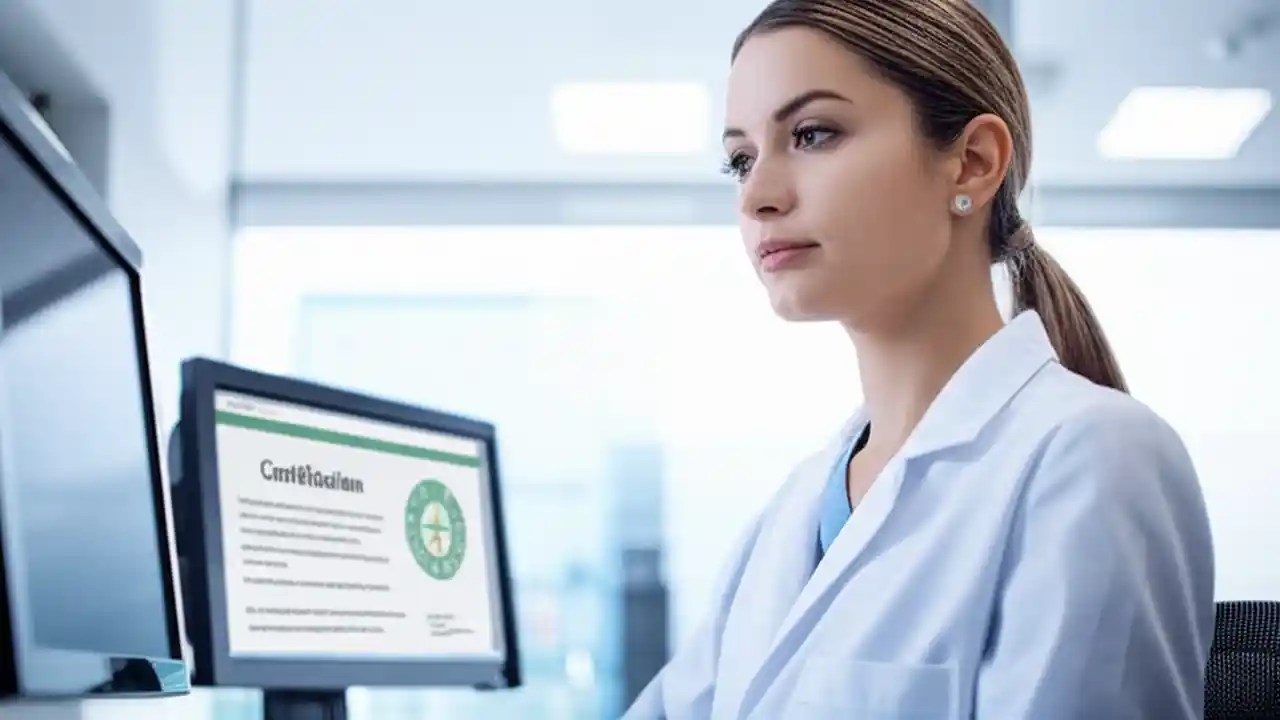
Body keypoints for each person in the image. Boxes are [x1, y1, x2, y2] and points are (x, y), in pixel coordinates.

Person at [623, 1, 1216, 718]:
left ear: (973, 162)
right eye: (741, 159)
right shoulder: (795, 508)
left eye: (812, 134)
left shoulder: (1093, 458)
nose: (757, 196)